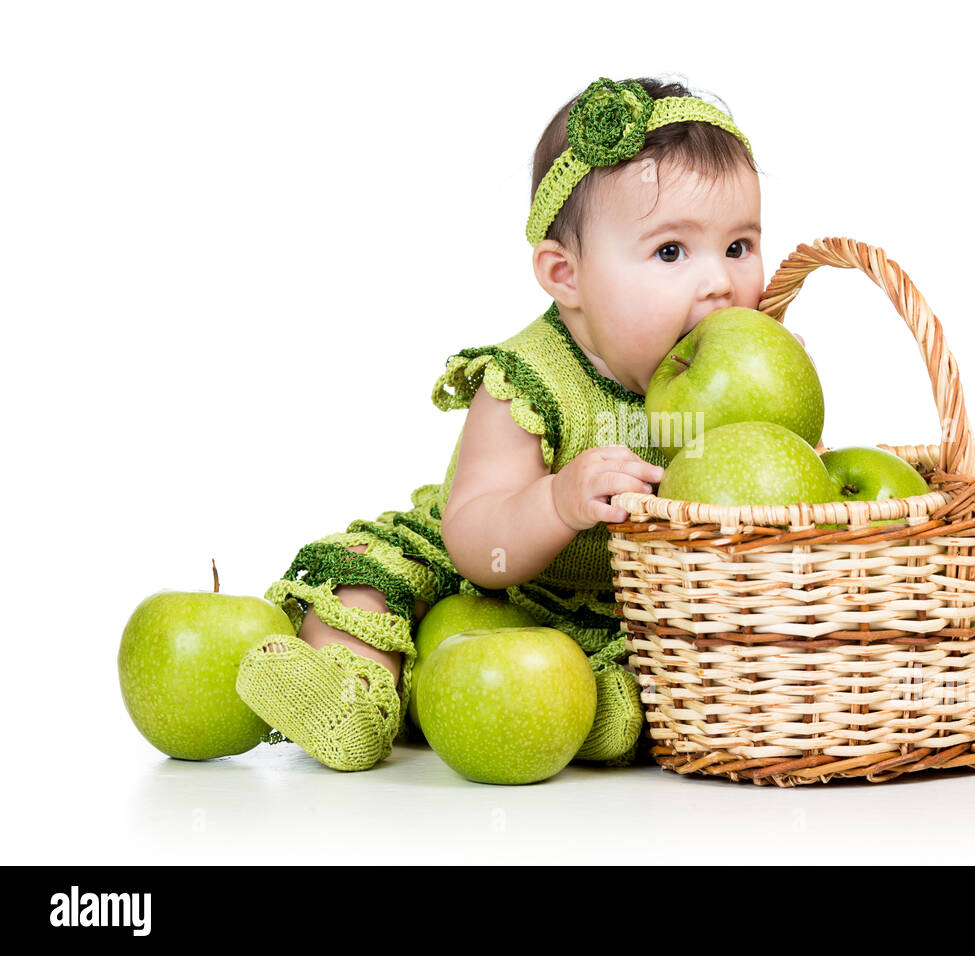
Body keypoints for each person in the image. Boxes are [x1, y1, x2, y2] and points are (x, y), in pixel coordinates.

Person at [234, 74, 811, 772]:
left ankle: (576, 712)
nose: (720, 283)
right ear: (564, 276)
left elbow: (777, 499)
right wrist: (557, 502)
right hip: (485, 574)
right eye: (670, 252)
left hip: (609, 610)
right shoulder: (528, 382)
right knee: (369, 582)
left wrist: (785, 420)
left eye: (739, 247)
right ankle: (346, 694)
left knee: (664, 670)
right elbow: (477, 541)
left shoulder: (740, 376)